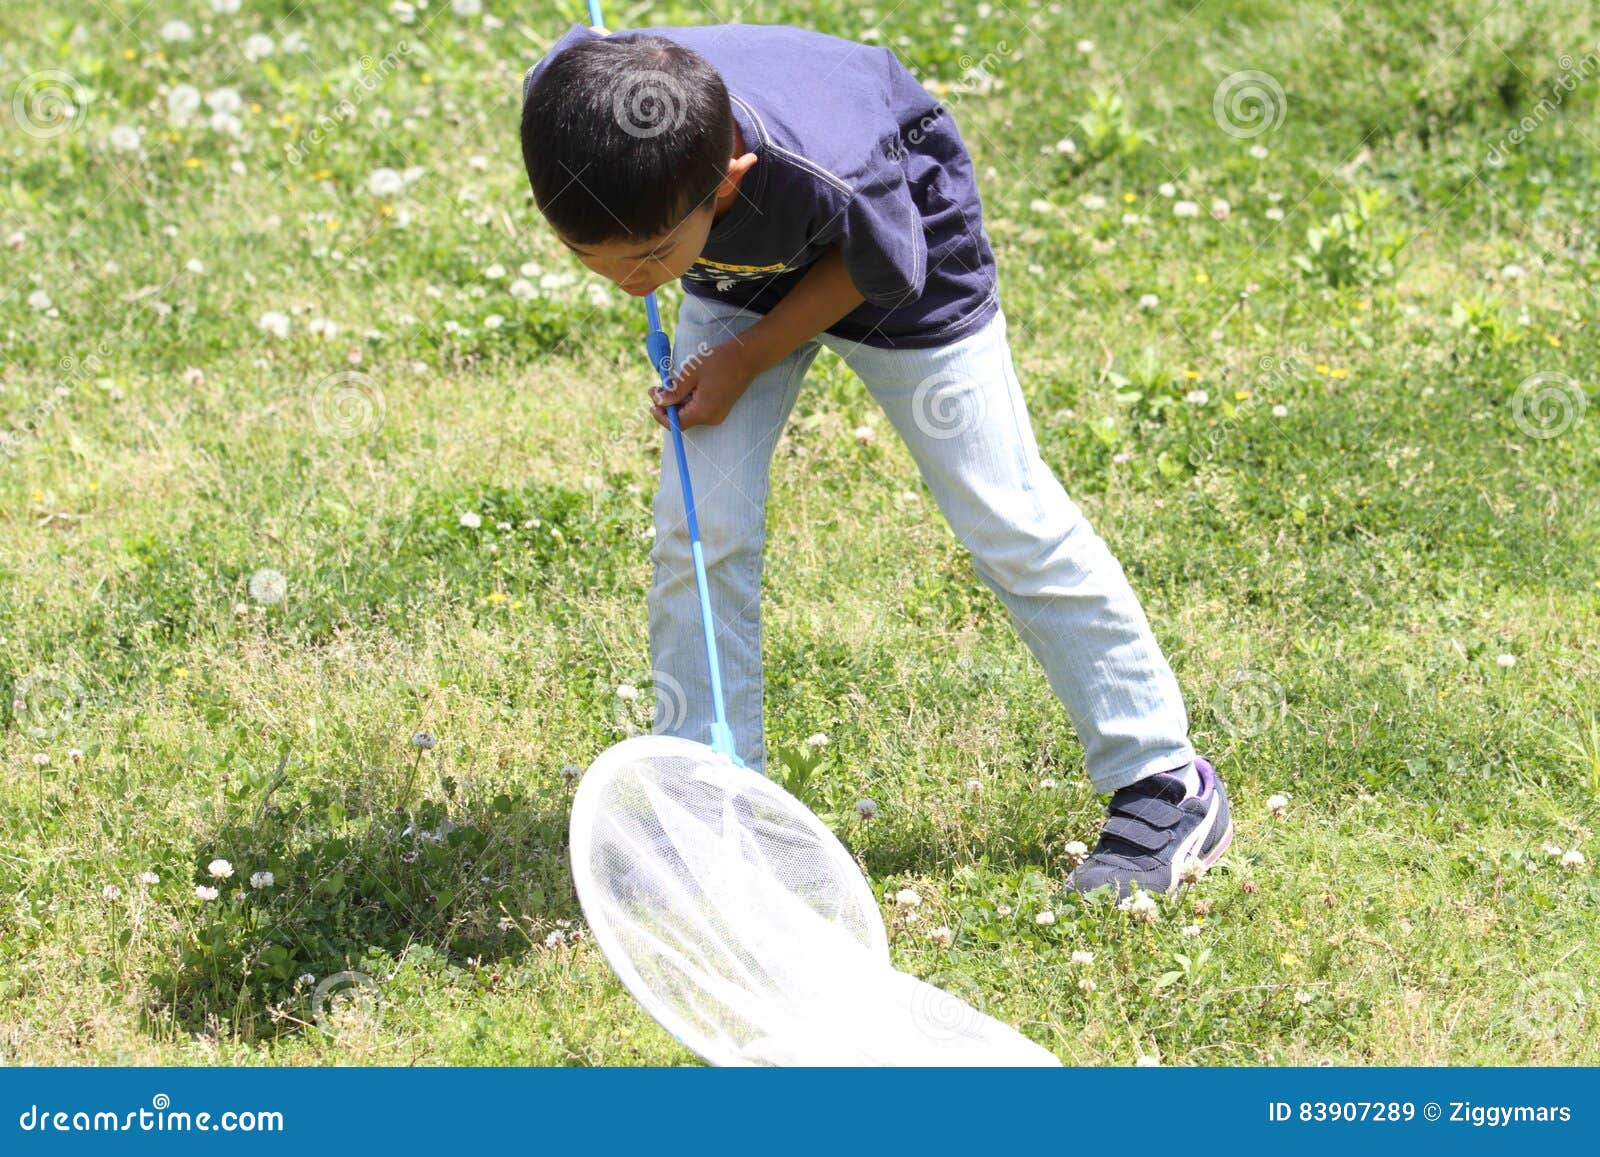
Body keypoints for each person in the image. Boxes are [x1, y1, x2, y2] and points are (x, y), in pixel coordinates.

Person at [519, 21, 1232, 899]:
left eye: (650, 260)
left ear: (728, 179)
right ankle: (716, 804)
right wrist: (681, 264)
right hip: (736, 262)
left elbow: (881, 264)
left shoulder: (834, 160)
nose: (632, 283)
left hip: (895, 252)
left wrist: (744, 356)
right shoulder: (575, 112)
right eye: (595, 259)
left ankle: (1164, 777)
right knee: (699, 526)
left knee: (1003, 513)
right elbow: (580, 79)